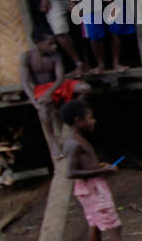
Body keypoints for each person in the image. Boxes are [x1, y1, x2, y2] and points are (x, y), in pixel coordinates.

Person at [59, 100, 125, 241]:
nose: (93, 121)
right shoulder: (75, 143)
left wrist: (99, 165)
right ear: (78, 120)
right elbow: (70, 172)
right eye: (90, 117)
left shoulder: (75, 140)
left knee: (95, 225)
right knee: (113, 228)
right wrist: (102, 171)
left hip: (87, 189)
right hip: (93, 188)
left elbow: (82, 166)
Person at [21, 29, 92, 159]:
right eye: (50, 43)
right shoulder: (27, 57)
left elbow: (60, 78)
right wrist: (34, 102)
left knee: (86, 88)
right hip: (41, 88)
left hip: (57, 85)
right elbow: (25, 82)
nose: (54, 46)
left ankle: (70, 109)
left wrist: (50, 93)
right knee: (42, 110)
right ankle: (53, 141)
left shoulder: (56, 56)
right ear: (37, 42)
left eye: (54, 43)